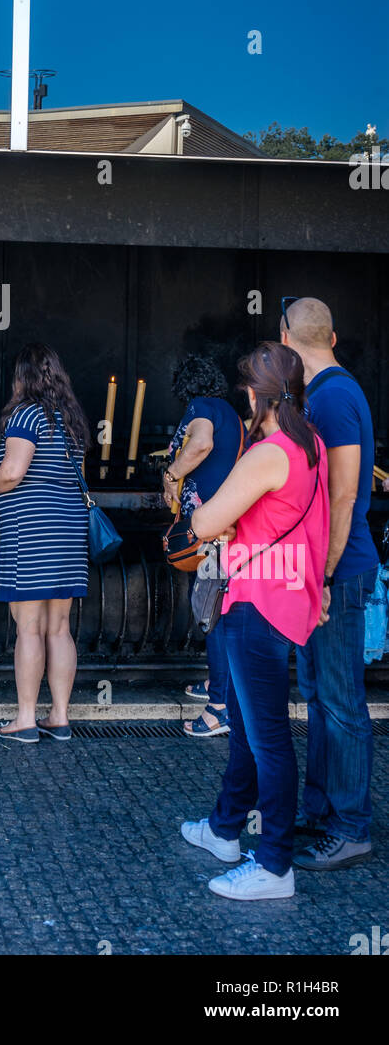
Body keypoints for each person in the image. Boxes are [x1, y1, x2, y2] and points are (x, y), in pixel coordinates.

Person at [180, 342, 329, 901]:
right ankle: (224, 828)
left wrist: (201, 512)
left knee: (267, 739)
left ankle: (274, 866)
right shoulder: (311, 443)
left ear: (252, 395)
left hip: (256, 604)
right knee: (246, 727)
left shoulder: (269, 451)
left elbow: (207, 520)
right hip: (285, 597)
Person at [281, 296, 379, 870]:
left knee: (340, 702)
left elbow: (342, 497)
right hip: (326, 573)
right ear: (332, 338)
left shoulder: (335, 398)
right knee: (319, 697)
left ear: (287, 341)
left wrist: (319, 577)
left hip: (336, 574)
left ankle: (349, 826)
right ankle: (322, 814)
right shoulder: (327, 394)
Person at [0, 344, 90, 744]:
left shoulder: (27, 415)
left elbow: (13, 471)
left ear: (21, 377)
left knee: (28, 628)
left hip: (32, 532)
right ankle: (59, 716)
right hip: (68, 531)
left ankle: (25, 718)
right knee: (59, 628)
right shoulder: (70, 421)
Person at [163, 355, 244, 739]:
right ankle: (218, 684)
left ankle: (219, 710)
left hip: (210, 529)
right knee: (221, 604)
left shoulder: (201, 408)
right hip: (229, 522)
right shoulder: (228, 411)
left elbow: (200, 446)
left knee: (213, 611)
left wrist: (170, 474)